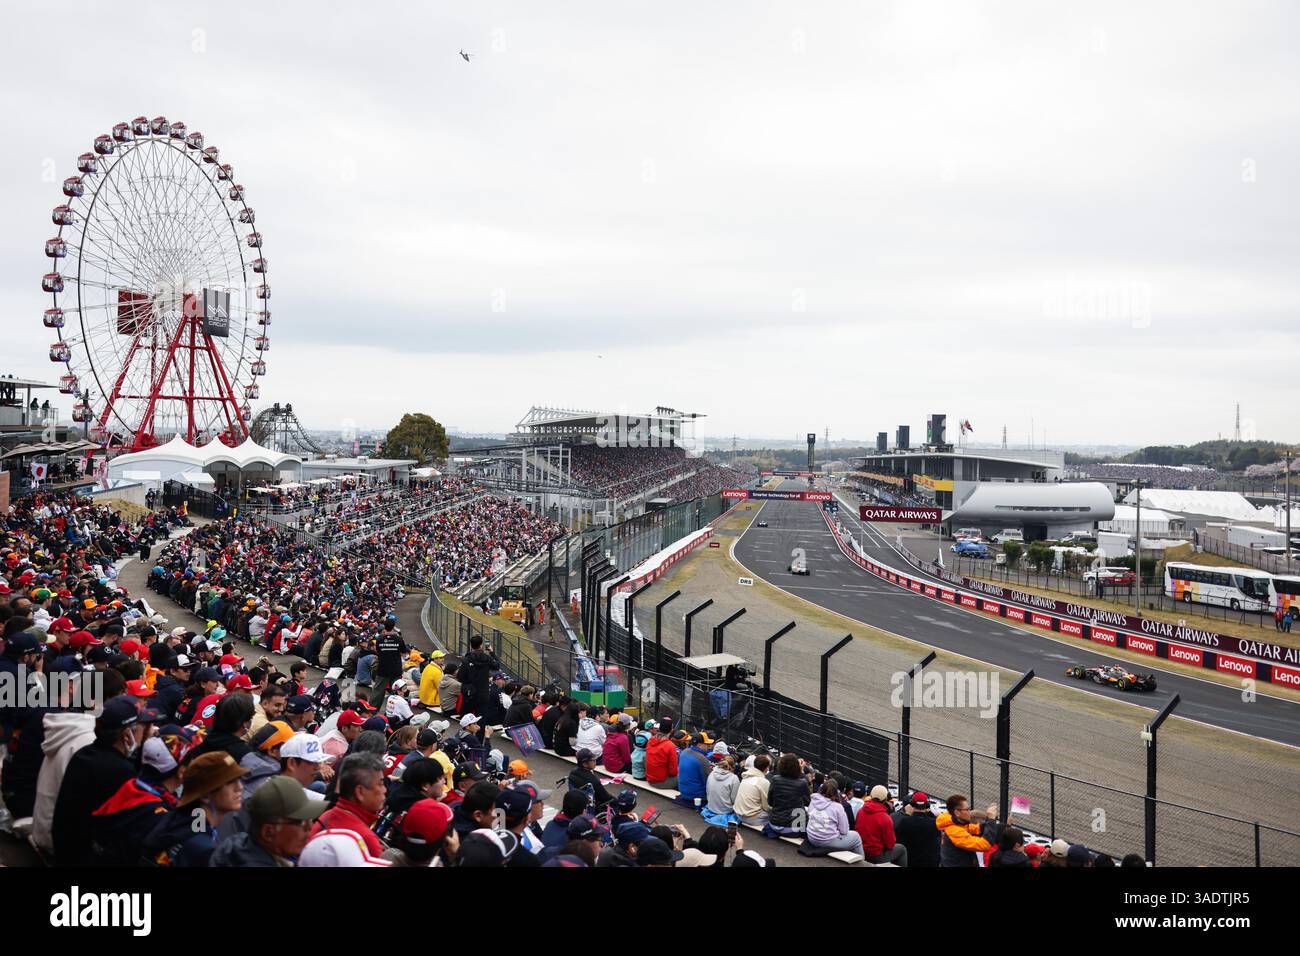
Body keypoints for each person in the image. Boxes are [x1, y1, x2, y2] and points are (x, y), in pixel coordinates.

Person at [51, 697, 152, 867]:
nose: (148, 731)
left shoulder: (86, 754)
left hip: (66, 852)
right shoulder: (120, 771)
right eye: (144, 726)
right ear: (128, 733)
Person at [144, 751, 248, 867]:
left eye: (239, 779)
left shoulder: (182, 821)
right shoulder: (203, 849)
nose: (239, 787)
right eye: (230, 782)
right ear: (205, 796)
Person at [210, 775, 327, 867]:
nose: (310, 827)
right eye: (300, 821)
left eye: (309, 819)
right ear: (268, 832)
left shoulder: (242, 845)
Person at [312, 752, 388, 857]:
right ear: (360, 792)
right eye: (380, 784)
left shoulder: (326, 816)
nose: (384, 790)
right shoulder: (365, 839)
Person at [935, 794, 996, 867]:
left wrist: (988, 822)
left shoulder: (956, 824)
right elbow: (985, 845)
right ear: (957, 813)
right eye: (967, 810)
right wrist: (991, 820)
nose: (969, 812)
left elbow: (974, 828)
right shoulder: (954, 831)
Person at [853, 785, 906, 865]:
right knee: (902, 849)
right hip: (875, 854)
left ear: (870, 796)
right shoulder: (885, 818)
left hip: (860, 849)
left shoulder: (861, 811)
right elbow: (890, 844)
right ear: (885, 800)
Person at [892, 791, 940, 868]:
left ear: (912, 805)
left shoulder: (905, 822)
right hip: (930, 863)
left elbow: (898, 841)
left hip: (910, 862)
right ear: (927, 805)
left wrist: (907, 814)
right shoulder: (934, 823)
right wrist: (930, 812)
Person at [767, 753, 811, 835]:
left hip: (774, 824)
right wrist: (802, 773)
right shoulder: (802, 783)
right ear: (797, 767)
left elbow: (770, 802)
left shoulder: (775, 779)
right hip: (794, 828)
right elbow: (808, 803)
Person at [733, 754, 772, 827]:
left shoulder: (745, 777)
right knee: (776, 815)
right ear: (766, 768)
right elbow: (766, 807)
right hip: (752, 818)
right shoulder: (764, 782)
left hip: (738, 814)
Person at [703, 755, 741, 826]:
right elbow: (734, 800)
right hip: (725, 810)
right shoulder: (734, 778)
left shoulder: (712, 773)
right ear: (732, 767)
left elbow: (707, 791)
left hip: (711, 807)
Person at [645, 722, 679, 789]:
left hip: (649, 779)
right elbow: (673, 772)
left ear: (659, 729)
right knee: (684, 775)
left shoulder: (650, 740)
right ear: (671, 730)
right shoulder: (670, 745)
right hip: (661, 782)